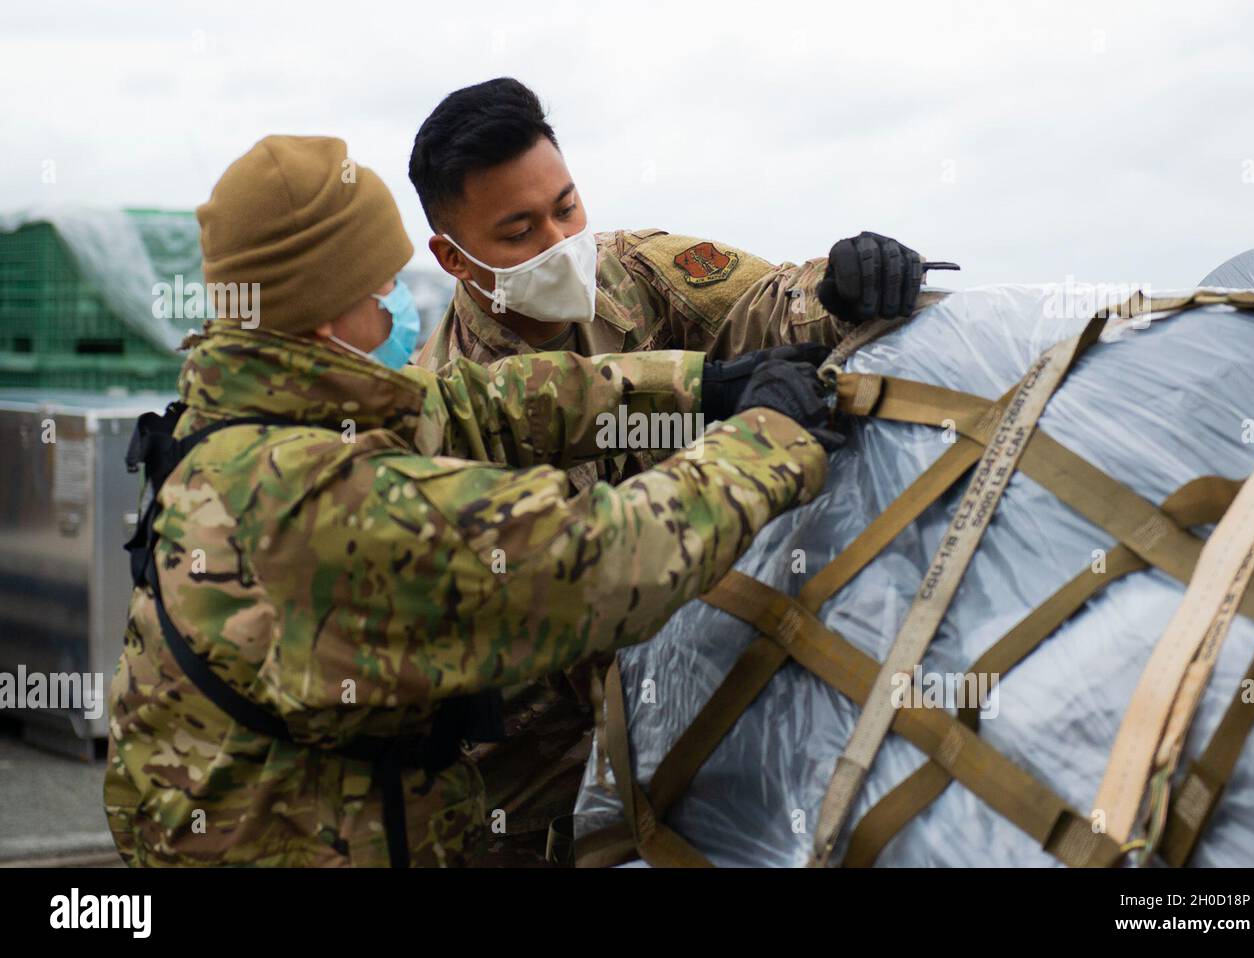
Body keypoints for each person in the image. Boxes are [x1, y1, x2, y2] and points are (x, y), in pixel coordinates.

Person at [103, 134, 840, 867]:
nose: (401, 300)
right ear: (327, 314)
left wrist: (699, 388)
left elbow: (477, 404)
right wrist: (766, 439)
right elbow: (602, 562)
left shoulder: (241, 413)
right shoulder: (322, 505)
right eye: (383, 284)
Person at [407, 79, 929, 486]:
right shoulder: (447, 409)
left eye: (567, 208)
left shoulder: (636, 267)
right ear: (454, 259)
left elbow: (763, 305)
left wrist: (838, 289)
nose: (561, 241)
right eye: (520, 232)